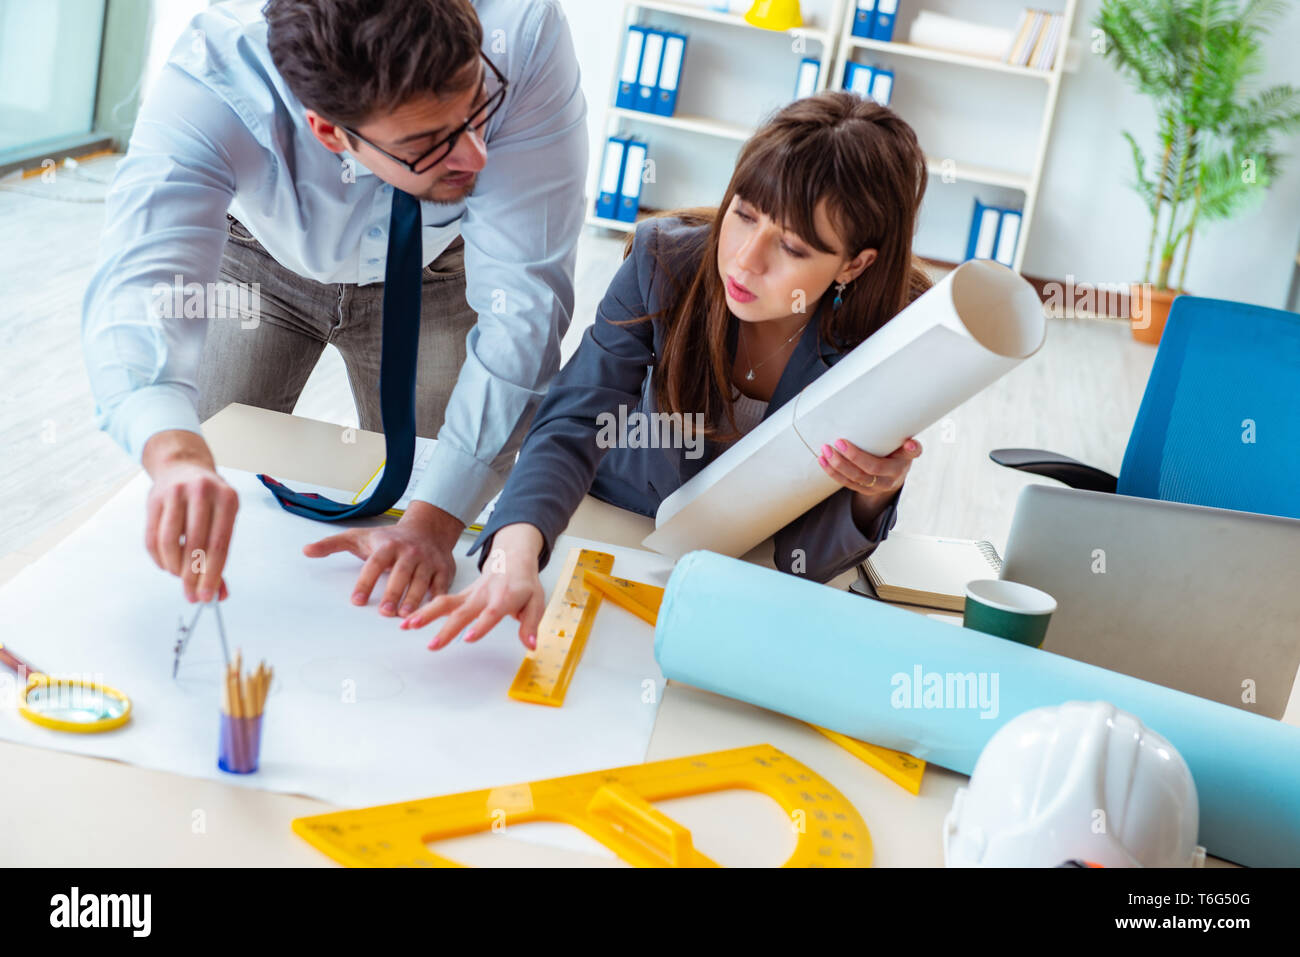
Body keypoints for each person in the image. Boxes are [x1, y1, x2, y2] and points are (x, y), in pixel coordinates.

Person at [80, 0, 586, 617]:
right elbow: (139, 291)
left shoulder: (522, 29)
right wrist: (177, 456)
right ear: (328, 131)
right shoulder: (215, 77)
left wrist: (433, 524)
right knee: (203, 482)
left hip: (440, 271)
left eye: (478, 104)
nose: (479, 156)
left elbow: (525, 302)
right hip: (258, 260)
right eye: (429, 142)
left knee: (452, 495)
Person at [400, 91, 932, 650]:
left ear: (855, 263)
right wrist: (514, 550)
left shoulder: (887, 343)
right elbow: (578, 418)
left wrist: (875, 491)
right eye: (744, 214)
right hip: (616, 519)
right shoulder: (664, 262)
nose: (746, 260)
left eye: (793, 248)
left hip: (743, 582)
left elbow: (806, 562)